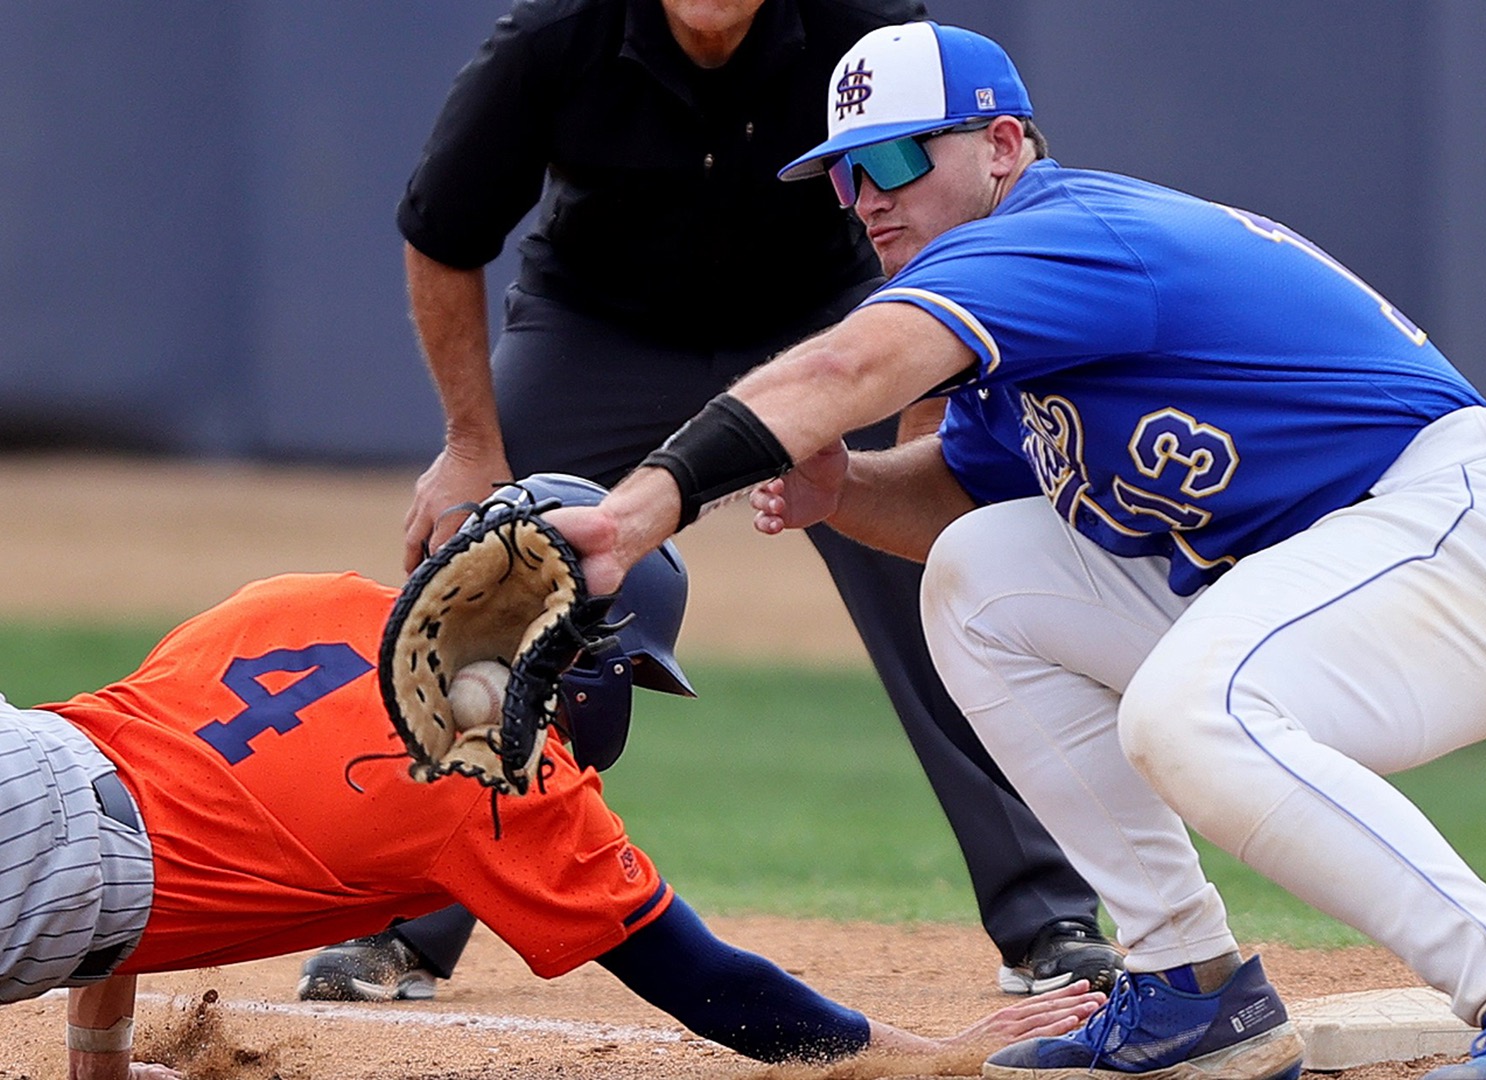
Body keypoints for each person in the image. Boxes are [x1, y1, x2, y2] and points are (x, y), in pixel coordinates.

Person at [535, 20, 1486, 1080]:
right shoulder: (1015, 316)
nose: (867, 199)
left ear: (1002, 146)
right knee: (981, 577)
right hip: (1331, 565)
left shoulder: (1063, 237)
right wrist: (843, 490)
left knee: (1190, 711)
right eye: (843, 176)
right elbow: (956, 503)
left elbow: (843, 369)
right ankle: (1190, 988)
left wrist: (638, 513)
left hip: (1460, 539)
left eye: (893, 161)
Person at [329, 0, 1120, 1003]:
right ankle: (405, 915)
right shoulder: (556, 35)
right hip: (599, 328)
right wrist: (471, 447)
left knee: (948, 569)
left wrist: (928, 430)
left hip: (829, 323)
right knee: (504, 568)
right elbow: (442, 231)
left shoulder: (864, 27)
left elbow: (946, 225)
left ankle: (1048, 916)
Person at [1, 477, 1104, 1080]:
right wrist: (934, 1058)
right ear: (575, 657)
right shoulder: (495, 775)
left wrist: (99, 1067)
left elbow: (129, 792)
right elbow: (714, 987)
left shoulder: (298, 600)